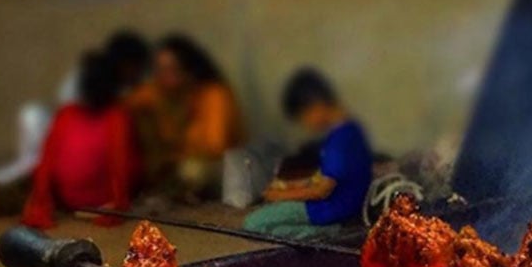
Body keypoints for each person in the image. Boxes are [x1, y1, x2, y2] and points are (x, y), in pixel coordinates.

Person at [0, 30, 149, 214]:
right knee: (29, 171)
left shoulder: (97, 110)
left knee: (31, 175)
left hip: (71, 186)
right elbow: (125, 167)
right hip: (87, 194)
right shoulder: (113, 113)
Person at [244, 69, 372, 239]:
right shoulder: (351, 130)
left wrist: (280, 196)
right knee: (271, 217)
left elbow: (322, 190)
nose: (305, 124)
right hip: (344, 204)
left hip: (327, 209)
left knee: (253, 224)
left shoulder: (338, 142)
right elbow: (327, 178)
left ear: (316, 105)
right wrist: (293, 186)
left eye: (303, 117)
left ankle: (327, 232)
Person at [20, 52, 139, 228]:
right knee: (17, 186)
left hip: (98, 202)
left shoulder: (117, 118)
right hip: (62, 199)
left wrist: (118, 203)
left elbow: (124, 169)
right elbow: (46, 163)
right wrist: (40, 202)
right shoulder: (68, 114)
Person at [127, 35, 244, 199]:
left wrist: (175, 155)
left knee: (192, 170)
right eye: (160, 69)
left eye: (171, 69)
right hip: (175, 162)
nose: (164, 75)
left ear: (188, 70)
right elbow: (128, 105)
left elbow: (215, 146)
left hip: (214, 165)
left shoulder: (214, 94)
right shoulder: (158, 92)